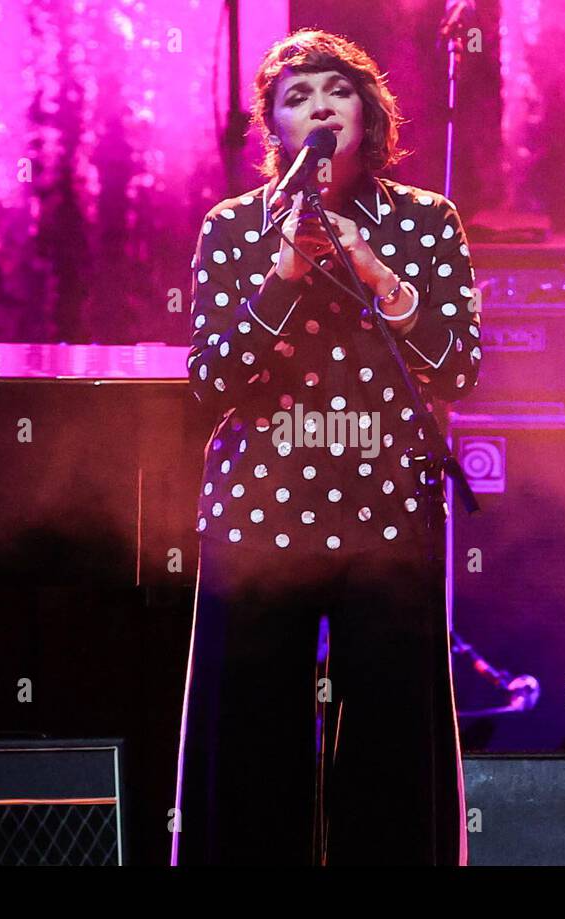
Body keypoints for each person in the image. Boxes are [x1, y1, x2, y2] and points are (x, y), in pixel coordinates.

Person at [171, 29, 481, 864]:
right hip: (261, 511)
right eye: (296, 97)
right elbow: (211, 384)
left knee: (390, 739)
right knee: (251, 740)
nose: (317, 109)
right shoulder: (234, 228)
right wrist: (283, 277)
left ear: (366, 109)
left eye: (334, 92)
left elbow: (458, 371)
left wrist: (381, 276)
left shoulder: (425, 219)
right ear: (273, 125)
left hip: (388, 510)